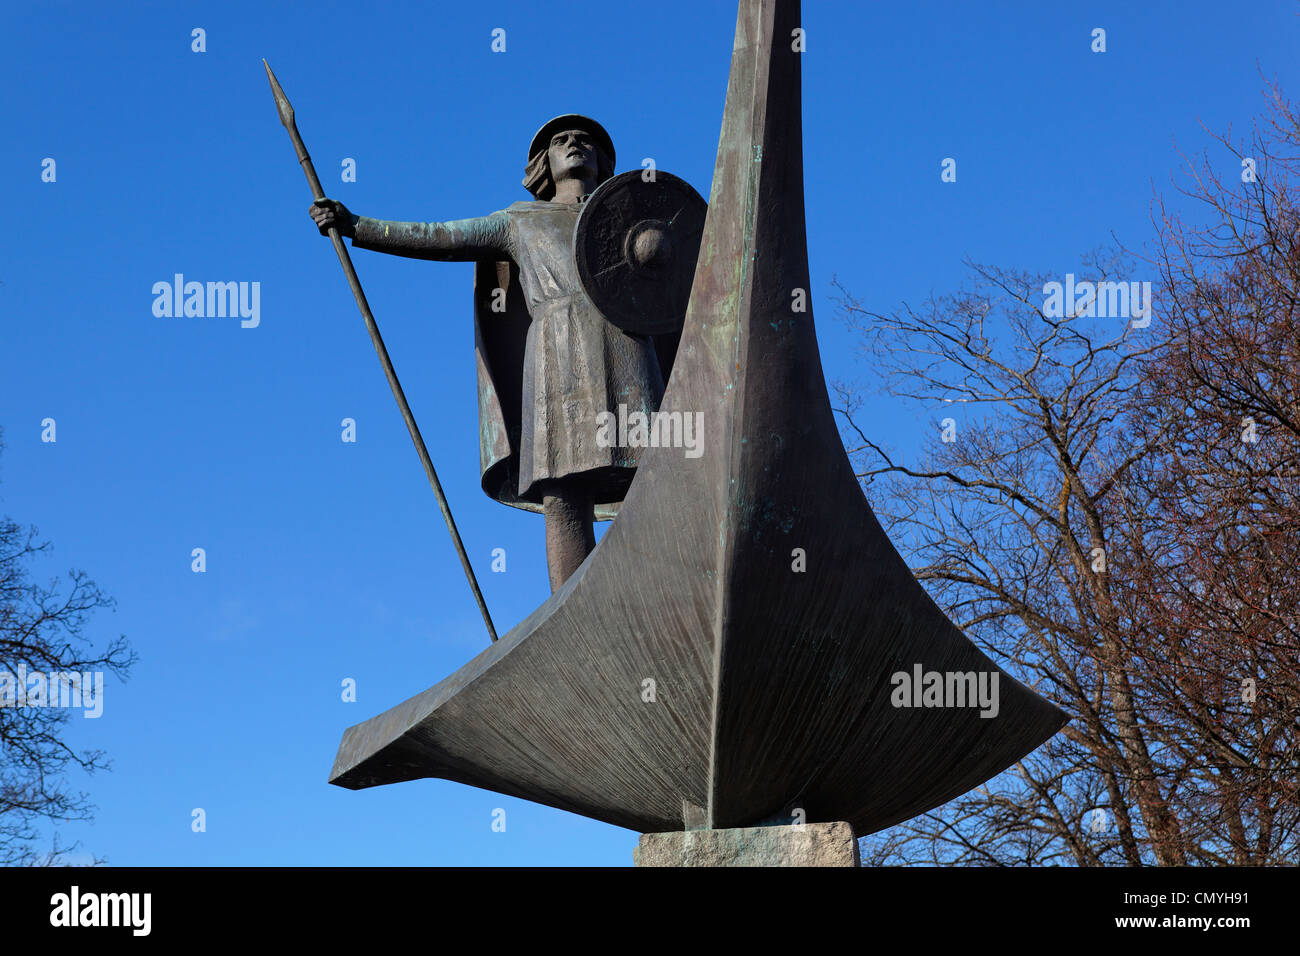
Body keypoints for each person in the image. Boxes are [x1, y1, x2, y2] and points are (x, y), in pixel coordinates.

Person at [309, 115, 666, 591]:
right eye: (561, 141)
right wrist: (357, 225)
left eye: (585, 140)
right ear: (545, 164)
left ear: (603, 160)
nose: (574, 144)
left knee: (653, 481)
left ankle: (649, 599)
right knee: (563, 493)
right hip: (557, 354)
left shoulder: (632, 218)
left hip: (627, 345)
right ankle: (572, 613)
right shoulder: (520, 220)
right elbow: (440, 236)